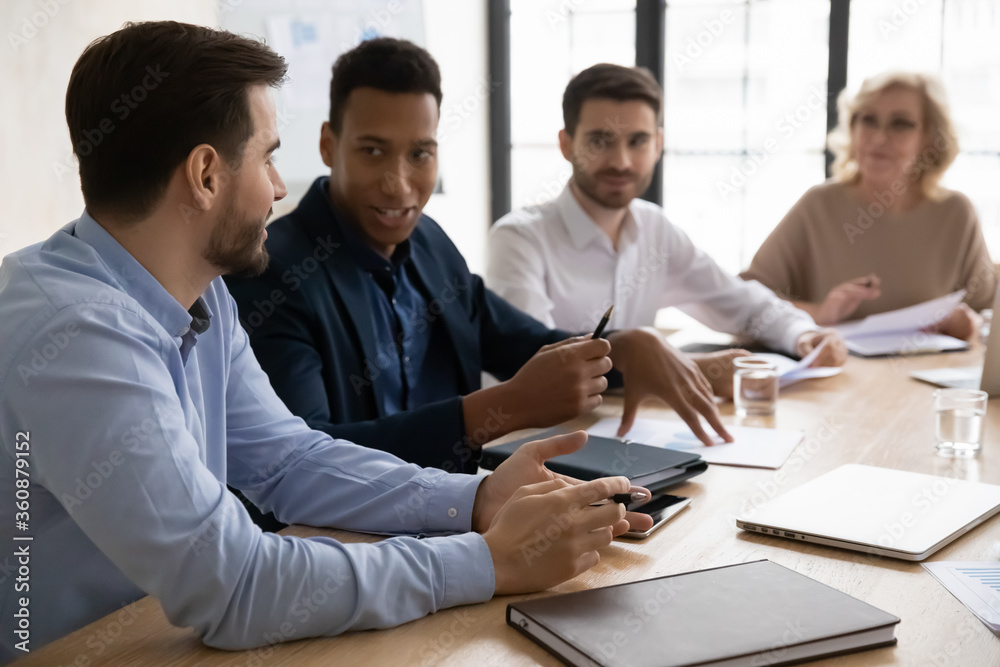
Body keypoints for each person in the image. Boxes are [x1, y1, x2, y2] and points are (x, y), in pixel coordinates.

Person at [0, 22, 653, 660]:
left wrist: (475, 499)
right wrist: (486, 561)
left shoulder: (202, 291)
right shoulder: (75, 331)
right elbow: (235, 585)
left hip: (156, 637)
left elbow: (287, 459)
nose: (279, 186)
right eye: (268, 156)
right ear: (206, 175)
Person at [226, 38, 732, 475]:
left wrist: (624, 348)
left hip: (459, 513)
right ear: (328, 145)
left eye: (420, 153)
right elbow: (303, 460)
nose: (399, 184)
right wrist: (497, 410)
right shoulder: (271, 270)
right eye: (373, 151)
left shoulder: (429, 243)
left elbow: (524, 345)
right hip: (344, 539)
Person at [485, 64, 846, 391]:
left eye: (637, 141)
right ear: (566, 145)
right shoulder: (519, 239)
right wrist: (690, 369)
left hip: (624, 426)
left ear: (657, 144)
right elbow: (533, 360)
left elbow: (742, 305)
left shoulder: (654, 228)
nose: (622, 161)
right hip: (539, 434)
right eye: (600, 141)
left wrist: (804, 335)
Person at [741, 71, 997, 339]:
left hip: (930, 366)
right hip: (838, 366)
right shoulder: (818, 206)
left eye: (900, 124)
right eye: (868, 120)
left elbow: (988, 316)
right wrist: (819, 313)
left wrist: (969, 325)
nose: (878, 138)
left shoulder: (955, 213)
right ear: (852, 128)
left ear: (930, 139)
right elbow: (742, 305)